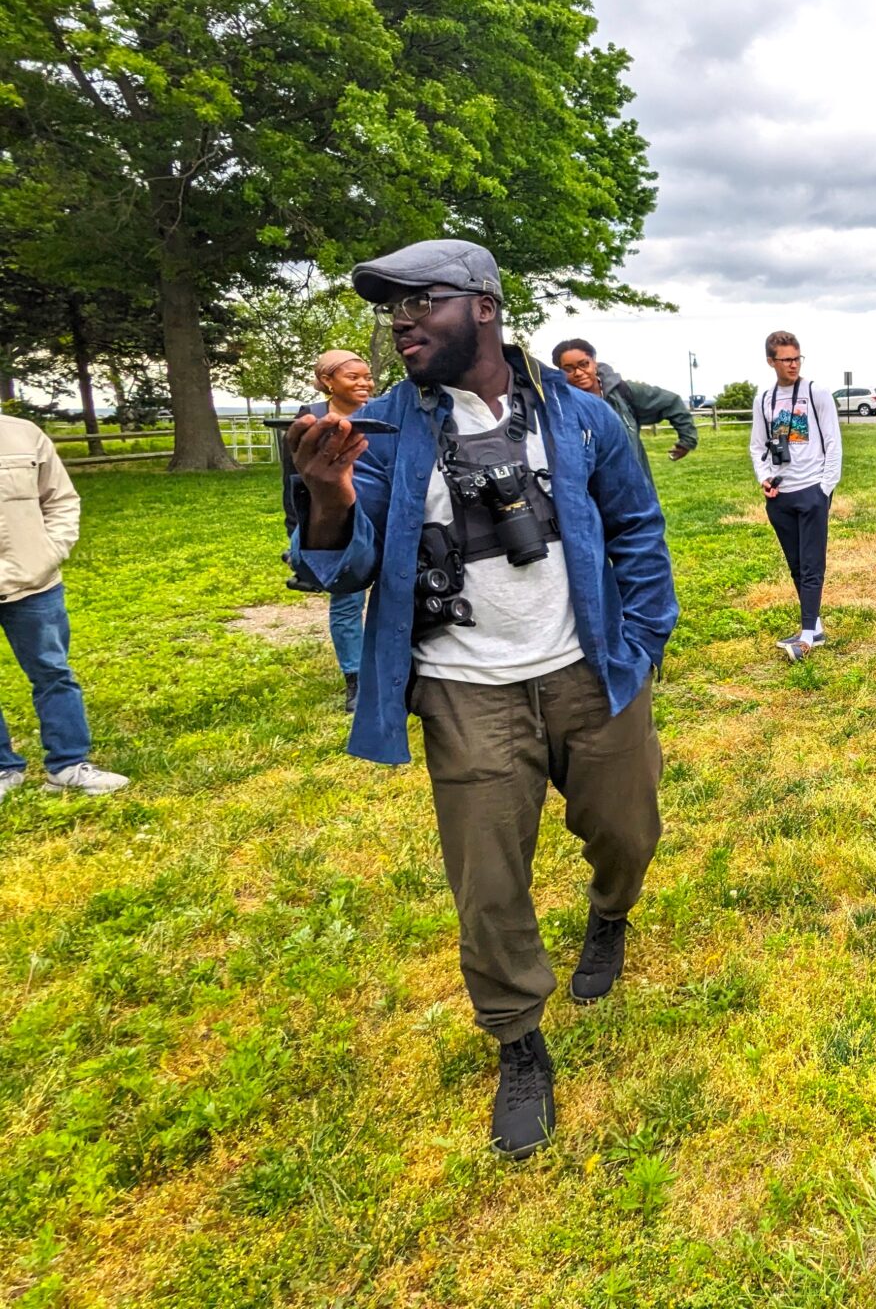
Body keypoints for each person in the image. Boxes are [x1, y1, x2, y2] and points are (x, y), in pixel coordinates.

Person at [285, 238, 676, 1161]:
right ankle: (519, 1042)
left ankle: (610, 915)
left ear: (485, 308)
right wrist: (328, 493)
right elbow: (336, 566)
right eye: (393, 309)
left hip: (591, 671)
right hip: (466, 691)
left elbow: (637, 527)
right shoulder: (377, 429)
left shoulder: (582, 418)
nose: (402, 321)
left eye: (423, 301)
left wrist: (643, 640)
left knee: (631, 832)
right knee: (488, 887)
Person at [0, 412, 129, 797]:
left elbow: (61, 500)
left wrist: (50, 552)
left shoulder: (23, 435)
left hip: (33, 583)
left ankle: (68, 765)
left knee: (53, 673)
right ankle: (4, 770)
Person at [282, 349, 375, 711]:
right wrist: (298, 531)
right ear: (327, 381)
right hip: (335, 519)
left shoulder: (382, 413)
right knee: (347, 598)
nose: (364, 383)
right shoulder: (311, 419)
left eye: (367, 377)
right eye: (353, 377)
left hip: (379, 512)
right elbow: (293, 479)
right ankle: (355, 678)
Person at [750, 330, 841, 661]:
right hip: (781, 494)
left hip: (812, 490)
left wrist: (825, 488)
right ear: (771, 361)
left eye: (797, 358)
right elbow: (758, 445)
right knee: (797, 565)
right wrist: (765, 479)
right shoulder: (764, 399)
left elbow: (833, 443)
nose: (792, 365)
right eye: (786, 359)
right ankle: (813, 625)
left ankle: (806, 637)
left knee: (813, 564)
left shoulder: (816, 392)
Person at [550, 339, 698, 474]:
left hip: (632, 485)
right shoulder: (557, 404)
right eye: (568, 369)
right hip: (587, 487)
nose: (578, 373)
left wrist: (687, 441)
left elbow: (671, 402)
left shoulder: (623, 392)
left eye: (584, 364)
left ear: (594, 362)